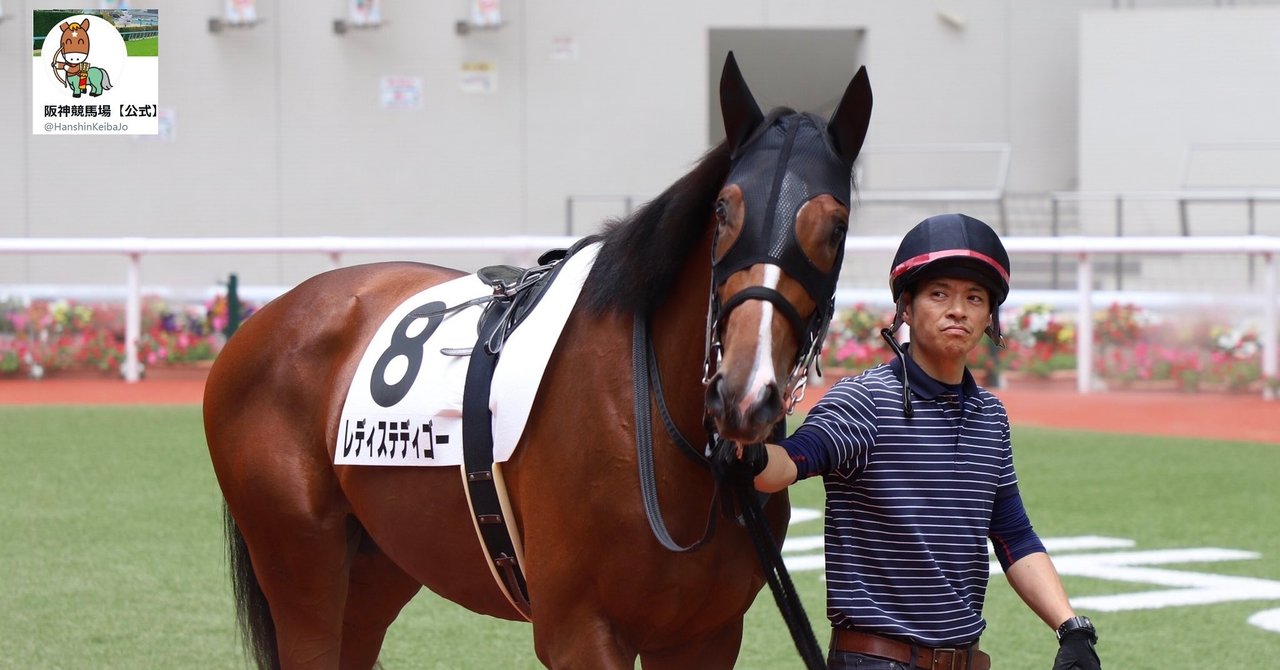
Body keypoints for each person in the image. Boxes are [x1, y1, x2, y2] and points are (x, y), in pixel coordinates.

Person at [725, 213, 1101, 670]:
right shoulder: (862, 401)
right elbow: (788, 463)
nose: (957, 309)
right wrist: (746, 447)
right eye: (939, 294)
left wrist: (1070, 627)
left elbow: (1014, 536)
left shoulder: (990, 418)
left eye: (974, 297)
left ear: (989, 317)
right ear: (906, 307)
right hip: (875, 660)